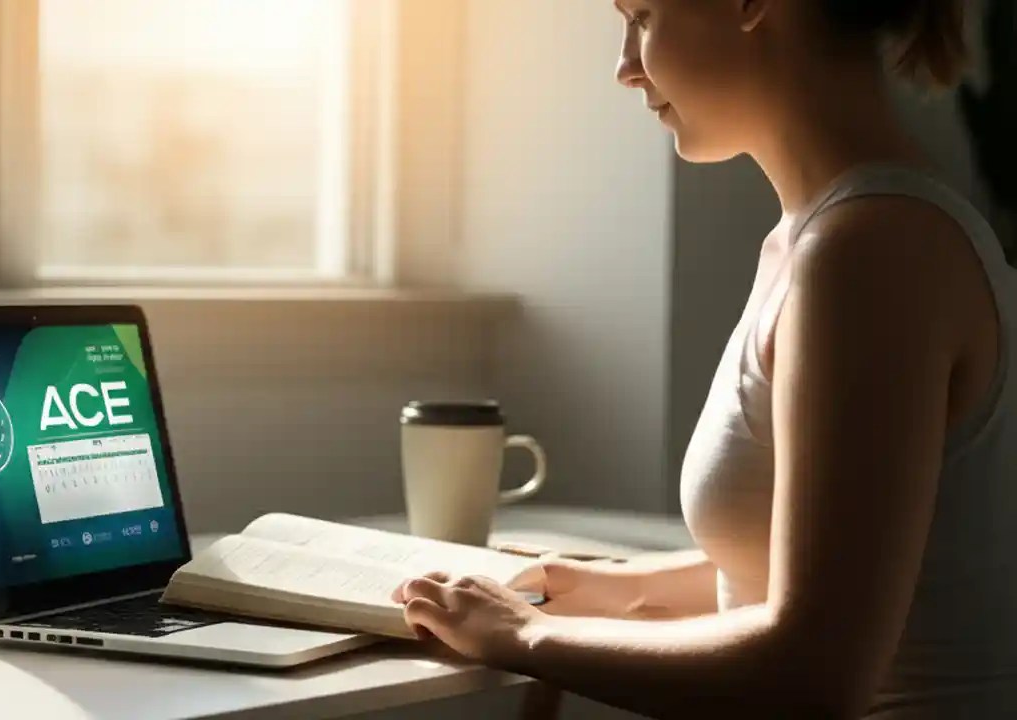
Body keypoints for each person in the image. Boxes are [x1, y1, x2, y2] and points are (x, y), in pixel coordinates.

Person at [392, 1, 1017, 717]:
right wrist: (625, 587)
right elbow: (834, 565)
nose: (625, 67)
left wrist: (526, 636)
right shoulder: (827, 238)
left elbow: (813, 671)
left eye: (644, 16)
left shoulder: (870, 254)